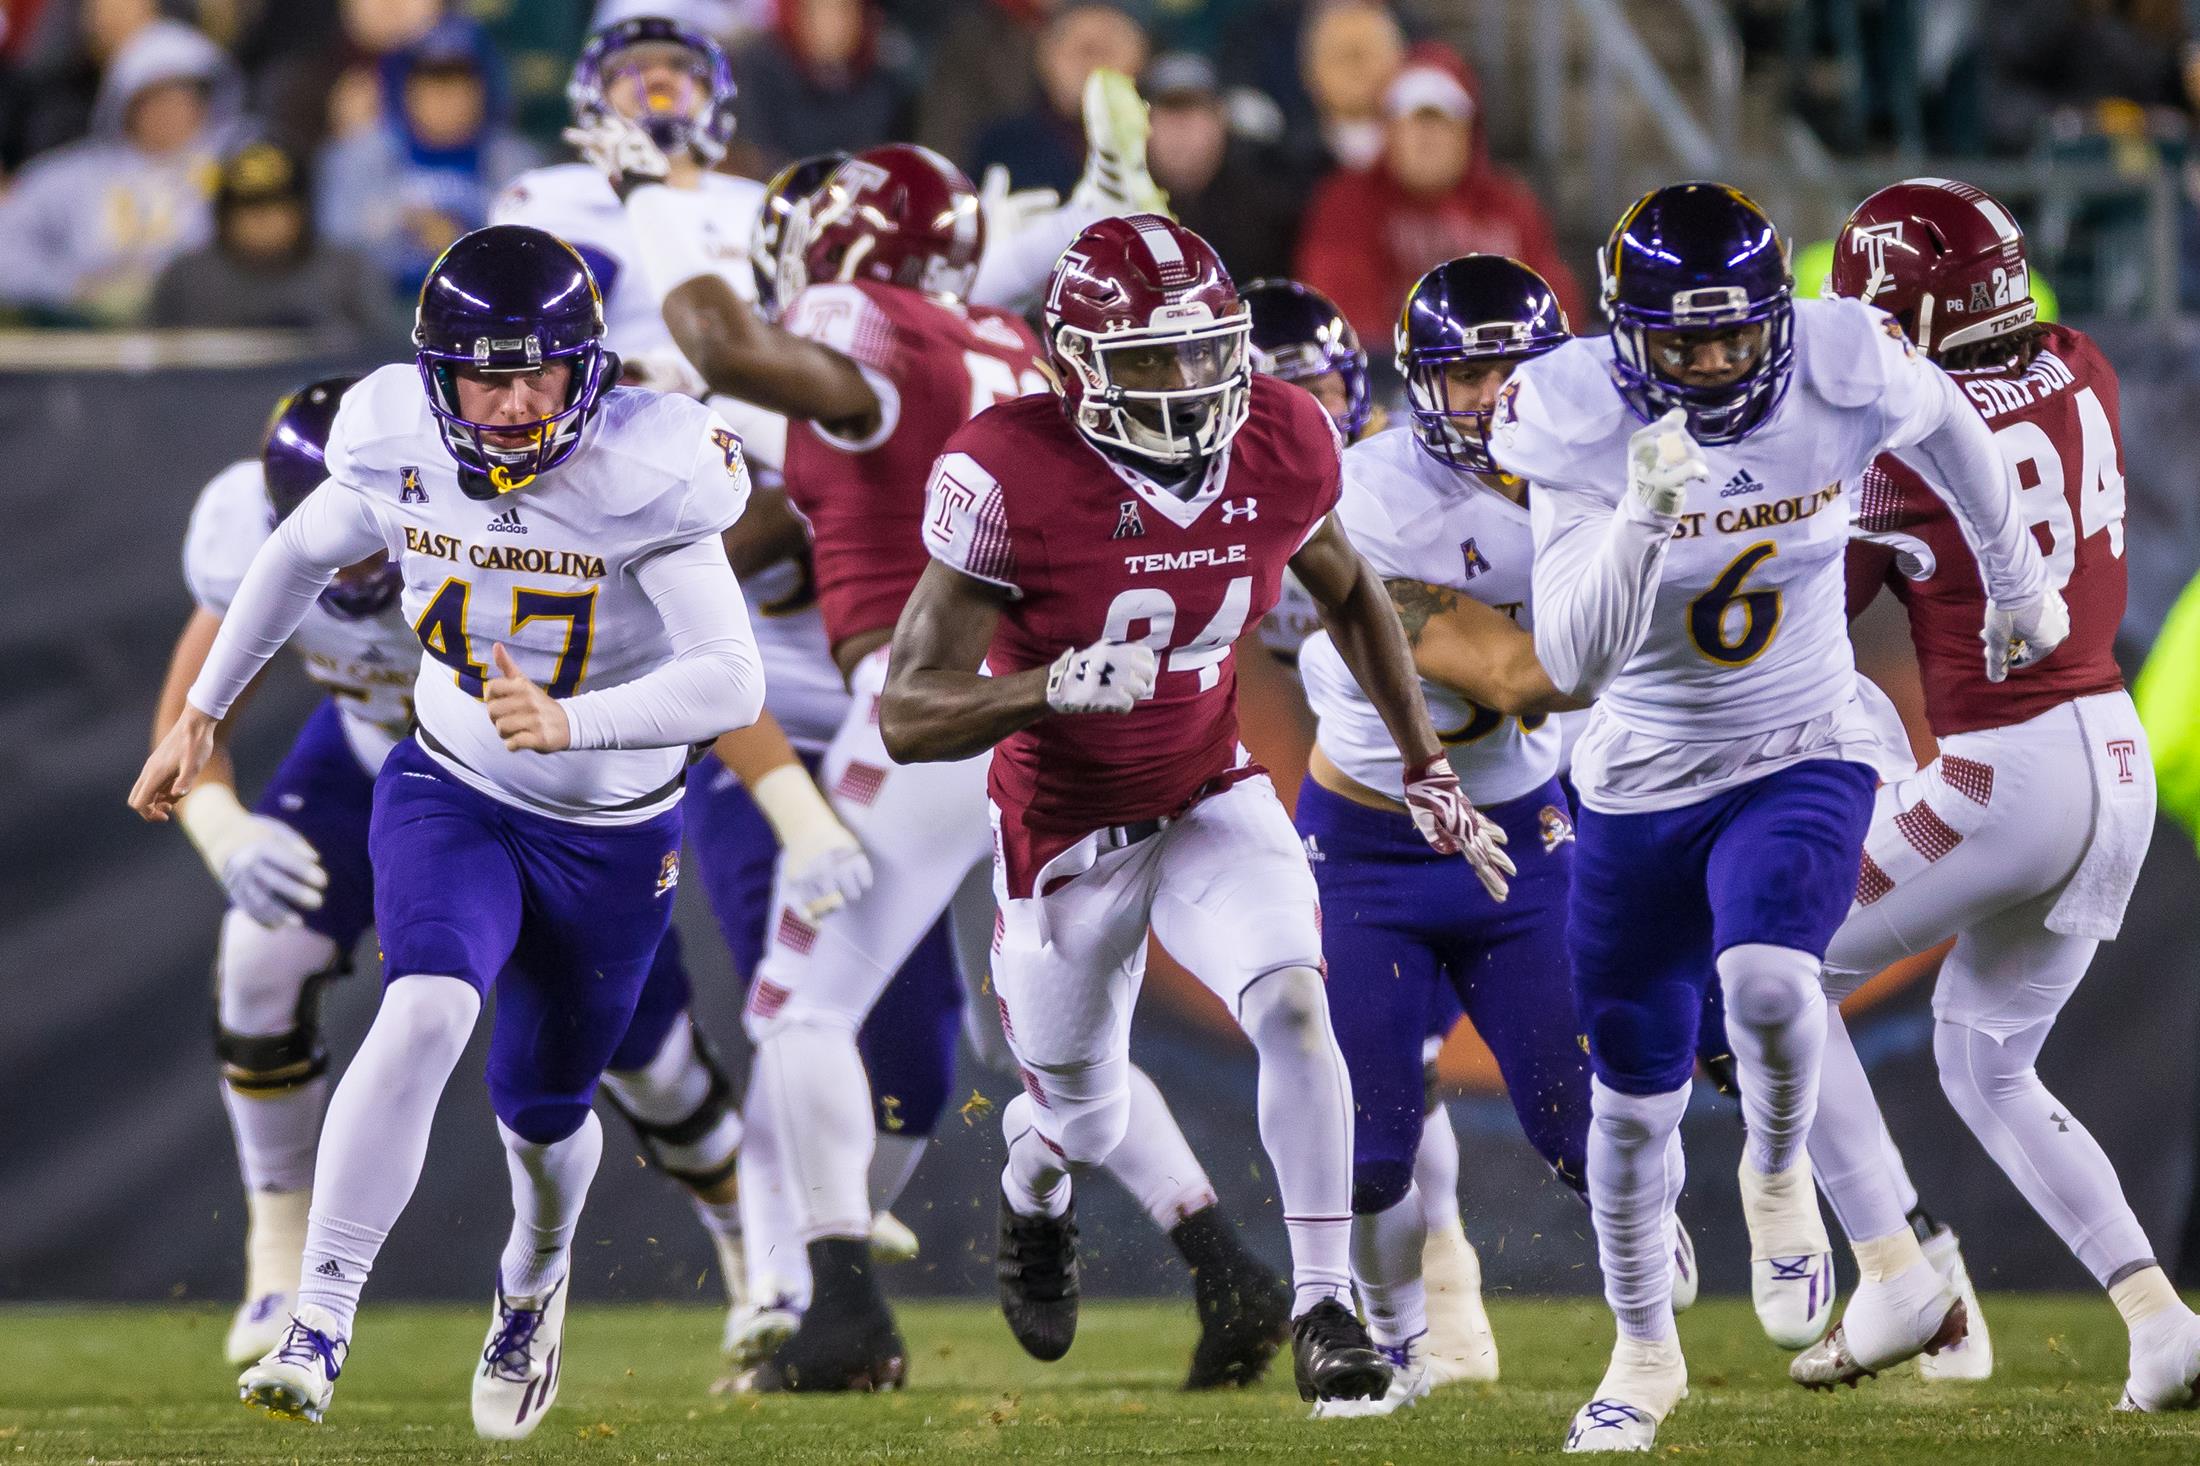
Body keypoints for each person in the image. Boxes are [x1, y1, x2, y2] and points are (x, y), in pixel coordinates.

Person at [615, 133, 1295, 1394]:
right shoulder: (997, 337)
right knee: (1065, 1039)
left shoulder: (866, 330)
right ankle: (1228, 1264)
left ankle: (842, 1310)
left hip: (943, 704)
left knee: (799, 1007)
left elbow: (729, 358)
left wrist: (652, 210)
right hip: (1082, 709)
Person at [128, 224, 765, 1439]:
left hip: (611, 829)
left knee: (544, 1113)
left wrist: (574, 719)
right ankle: (317, 1319)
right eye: (489, 375)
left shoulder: (657, 467)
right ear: (437, 377)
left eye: (542, 375)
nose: (519, 404)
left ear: (592, 371)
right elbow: (299, 551)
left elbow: (732, 680)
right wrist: (203, 713)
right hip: (451, 784)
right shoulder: (389, 434)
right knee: (424, 1001)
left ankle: (533, 1272)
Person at [878, 212, 1515, 1410]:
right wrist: (1044, 684)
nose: (1187, 384)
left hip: (1206, 791)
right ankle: (1038, 1190)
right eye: (1151, 361)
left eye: (1204, 349)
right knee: (1078, 1103)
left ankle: (1323, 1301)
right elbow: (907, 712)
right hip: (1063, 835)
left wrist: (1426, 762)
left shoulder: (1278, 432)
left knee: (1290, 995)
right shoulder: (1009, 467)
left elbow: (1353, 592)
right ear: (1074, 363)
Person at [1487, 183, 2062, 1452]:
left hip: (1801, 738)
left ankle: (1776, 1167)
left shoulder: (1846, 361)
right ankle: (1643, 1353)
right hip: (1637, 773)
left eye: (1731, 339)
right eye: (1677, 343)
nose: (1704, 364)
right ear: (1623, 330)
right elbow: (1572, 661)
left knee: (1762, 974)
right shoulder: (1574, 416)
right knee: (1630, 1103)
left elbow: (1955, 427)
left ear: (1777, 322)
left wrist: (2015, 574)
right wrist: (1640, 513)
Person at [1789, 177, 2200, 1409]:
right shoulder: (2085, 366)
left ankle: (1891, 1266)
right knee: (1983, 1059)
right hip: (2113, 756)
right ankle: (2158, 1317)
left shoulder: (1908, 444)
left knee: (1757, 971)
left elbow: (1805, 613)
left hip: (2003, 766)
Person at [1294, 49, 1585, 345]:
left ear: (1468, 132)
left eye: (1441, 120)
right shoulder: (1347, 203)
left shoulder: (1509, 205)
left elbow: (1556, 308)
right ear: (1390, 131)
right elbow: (1347, 319)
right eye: (1413, 120)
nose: (1426, 136)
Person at [0, 18, 243, 322]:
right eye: (153, 99)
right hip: (94, 336)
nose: (169, 112)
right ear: (124, 106)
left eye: (182, 97)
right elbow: (5, 236)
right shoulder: (80, 174)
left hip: (213, 327)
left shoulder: (241, 162)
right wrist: (68, 287)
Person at [317, 17, 542, 302]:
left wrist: (460, 241)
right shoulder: (355, 158)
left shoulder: (519, 163)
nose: (444, 96)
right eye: (430, 81)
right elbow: (335, 252)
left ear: (486, 87)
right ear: (403, 88)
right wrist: (406, 225)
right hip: (376, 320)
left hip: (485, 315)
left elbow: (532, 261)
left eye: (459, 81)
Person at [148, 141, 387, 335]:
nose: (262, 220)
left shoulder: (346, 273)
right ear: (223, 216)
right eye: (247, 207)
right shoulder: (186, 280)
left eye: (277, 205)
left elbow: (379, 359)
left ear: (303, 211)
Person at [1140, 53, 1301, 284]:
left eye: (1192, 113)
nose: (1180, 131)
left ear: (1220, 120)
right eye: (1169, 113)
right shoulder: (1120, 205)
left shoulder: (1266, 208)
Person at [969, 0, 1149, 196]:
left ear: (1139, 59)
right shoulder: (1002, 144)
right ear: (1047, 58)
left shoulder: (1156, 145)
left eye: (1106, 52)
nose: (1094, 67)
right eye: (1084, 51)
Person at [732, 0, 918, 168]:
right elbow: (755, 154)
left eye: (843, 11)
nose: (833, 25)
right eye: (819, 11)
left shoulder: (883, 81)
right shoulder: (759, 68)